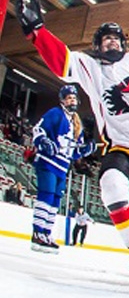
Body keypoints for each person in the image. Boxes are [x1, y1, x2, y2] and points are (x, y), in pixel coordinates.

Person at [14, 0, 129, 272]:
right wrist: (36, 32)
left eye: (116, 37)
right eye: (106, 38)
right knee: (111, 186)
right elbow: (62, 62)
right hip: (120, 148)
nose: (112, 41)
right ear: (97, 46)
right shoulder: (89, 67)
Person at [28, 85, 95, 253]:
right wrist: (44, 141)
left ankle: (46, 233)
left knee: (56, 199)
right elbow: (38, 130)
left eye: (73, 98)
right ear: (62, 100)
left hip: (62, 167)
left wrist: (86, 149)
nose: (71, 100)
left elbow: (73, 152)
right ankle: (37, 233)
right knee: (47, 195)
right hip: (47, 162)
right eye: (68, 98)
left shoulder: (76, 122)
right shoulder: (55, 113)